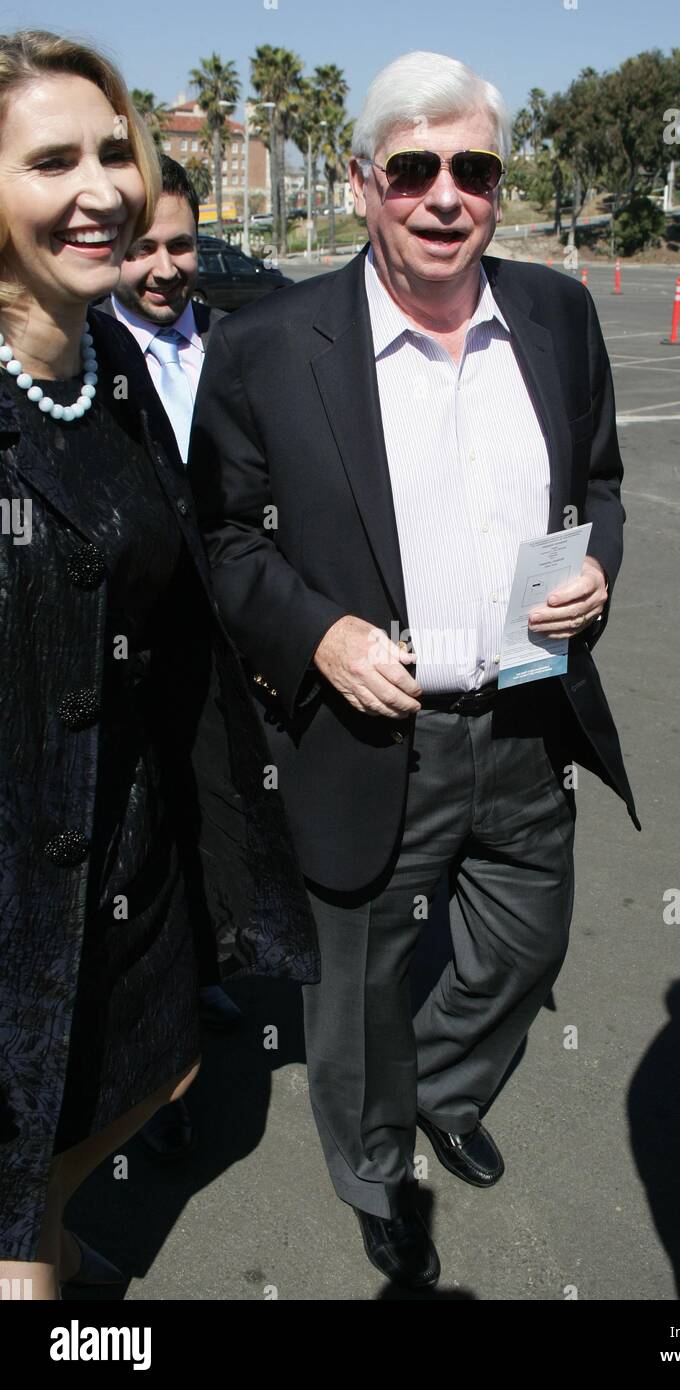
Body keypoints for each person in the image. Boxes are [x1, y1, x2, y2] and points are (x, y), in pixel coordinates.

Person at [189, 49, 639, 1291]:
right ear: (362, 180)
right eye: (414, 168)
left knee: (521, 946)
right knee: (360, 993)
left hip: (525, 718)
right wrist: (319, 634)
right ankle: (377, 1167)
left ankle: (440, 1088)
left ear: (497, 181)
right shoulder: (271, 344)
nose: (446, 196)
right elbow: (218, 535)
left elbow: (598, 481)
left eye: (474, 168)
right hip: (370, 734)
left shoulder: (554, 312)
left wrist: (597, 564)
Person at [0, 29, 317, 1301]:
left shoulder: (112, 358)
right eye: (50, 161)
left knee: (162, 1074)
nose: (102, 189)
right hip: (16, 900)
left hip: (130, 865)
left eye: (113, 153)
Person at [95, 155, 252, 1159]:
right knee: (130, 867)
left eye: (181, 244)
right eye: (141, 245)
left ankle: (201, 975)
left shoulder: (235, 344)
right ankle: (146, 1086)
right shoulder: (78, 359)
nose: (163, 266)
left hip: (221, 649)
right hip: (122, 661)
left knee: (212, 825)